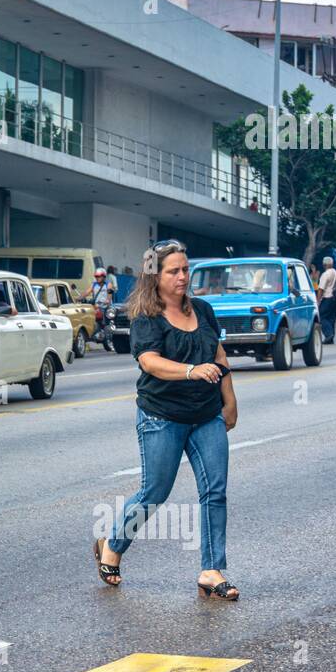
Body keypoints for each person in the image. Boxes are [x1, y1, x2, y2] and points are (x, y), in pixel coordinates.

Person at [92, 239, 240, 600]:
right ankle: (112, 544)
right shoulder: (147, 317)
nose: (183, 276)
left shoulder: (203, 310)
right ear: (155, 276)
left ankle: (211, 570)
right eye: (174, 270)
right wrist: (191, 370)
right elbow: (149, 362)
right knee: (154, 492)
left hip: (206, 416)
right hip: (162, 416)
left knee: (215, 491)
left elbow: (218, 355)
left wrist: (230, 399)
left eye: (186, 269)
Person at [317, 256, 336, 344]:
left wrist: (318, 301)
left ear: (324, 264)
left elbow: (321, 289)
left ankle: (328, 334)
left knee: (322, 317)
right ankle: (331, 338)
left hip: (328, 298)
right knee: (331, 318)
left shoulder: (325, 274)